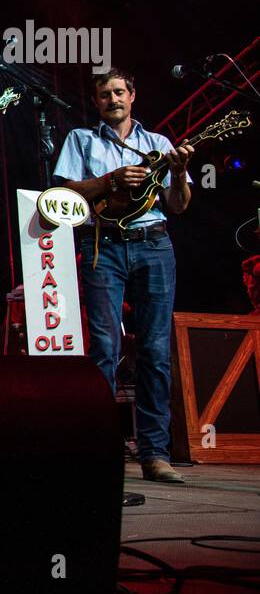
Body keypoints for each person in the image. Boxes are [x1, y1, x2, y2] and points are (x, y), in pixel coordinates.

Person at [53, 67, 193, 483]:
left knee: (154, 348)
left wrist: (182, 171)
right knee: (105, 348)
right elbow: (64, 194)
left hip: (154, 244)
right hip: (103, 245)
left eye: (119, 92)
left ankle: (155, 454)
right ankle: (99, 448)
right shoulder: (81, 139)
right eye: (104, 94)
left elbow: (179, 205)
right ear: (95, 102)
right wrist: (111, 179)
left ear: (133, 95)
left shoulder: (159, 144)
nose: (112, 99)